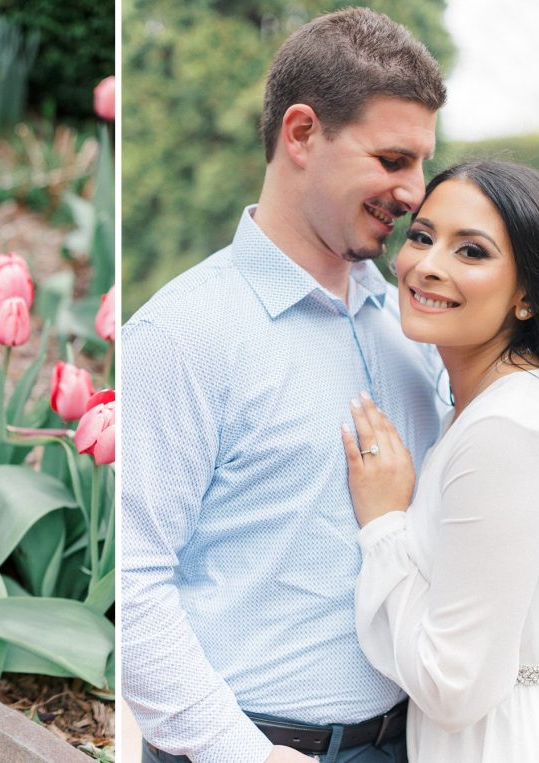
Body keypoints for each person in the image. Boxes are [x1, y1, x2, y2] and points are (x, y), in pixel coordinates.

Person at [122, 8, 447, 763]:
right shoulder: (181, 335)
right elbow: (131, 582)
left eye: (422, 164)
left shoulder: (414, 326)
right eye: (393, 160)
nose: (415, 192)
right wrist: (247, 754)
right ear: (301, 134)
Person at [343, 160, 539, 761]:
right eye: (422, 236)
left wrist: (385, 524)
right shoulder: (495, 404)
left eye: (470, 251)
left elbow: (454, 688)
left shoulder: (506, 430)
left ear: (528, 295)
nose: (428, 264)